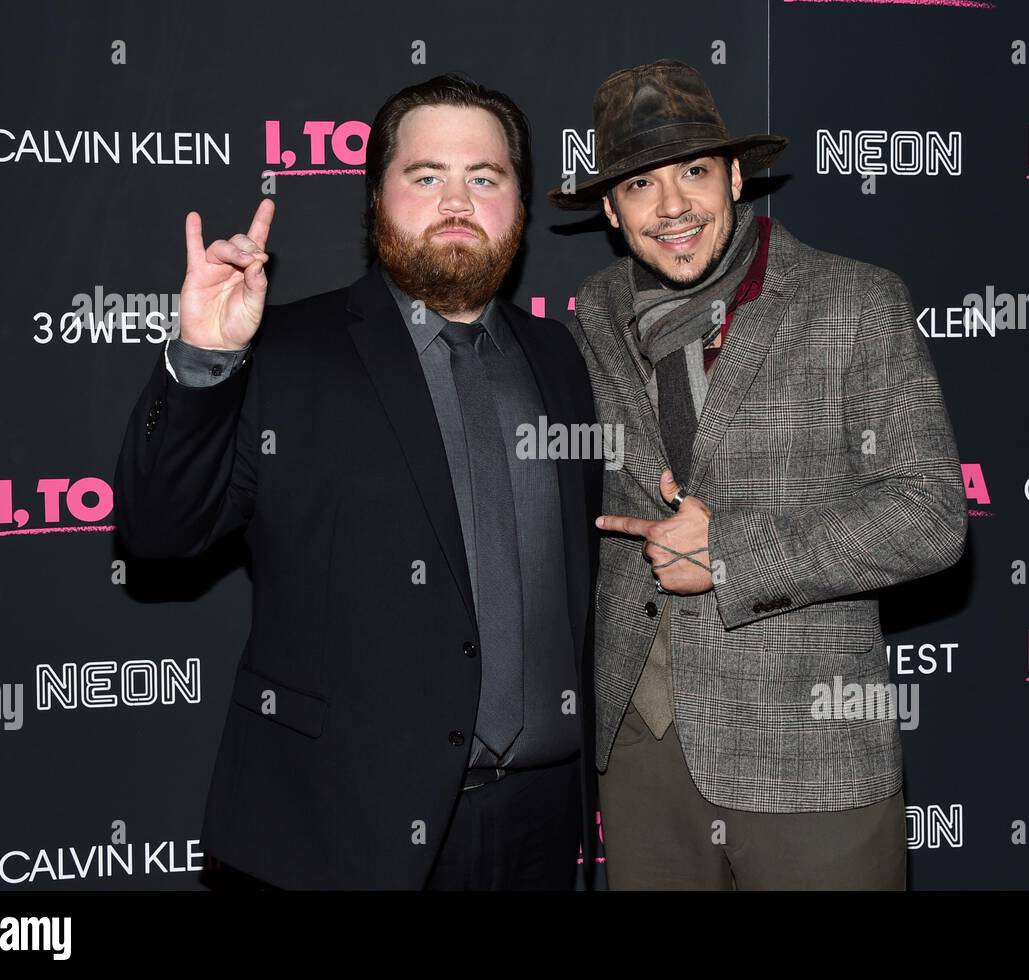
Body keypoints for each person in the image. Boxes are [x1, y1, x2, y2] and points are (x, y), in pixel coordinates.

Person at [115, 72, 601, 890]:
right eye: (426, 177)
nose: (457, 202)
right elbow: (160, 530)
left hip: (542, 827)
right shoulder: (286, 352)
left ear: (519, 205)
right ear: (376, 198)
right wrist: (204, 359)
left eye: (485, 178)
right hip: (341, 826)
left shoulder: (559, 357)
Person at [549, 59, 967, 889]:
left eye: (694, 172)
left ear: (736, 175)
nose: (671, 208)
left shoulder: (854, 301)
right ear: (609, 207)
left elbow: (932, 516)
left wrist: (732, 554)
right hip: (643, 751)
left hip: (811, 746)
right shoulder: (592, 315)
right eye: (639, 185)